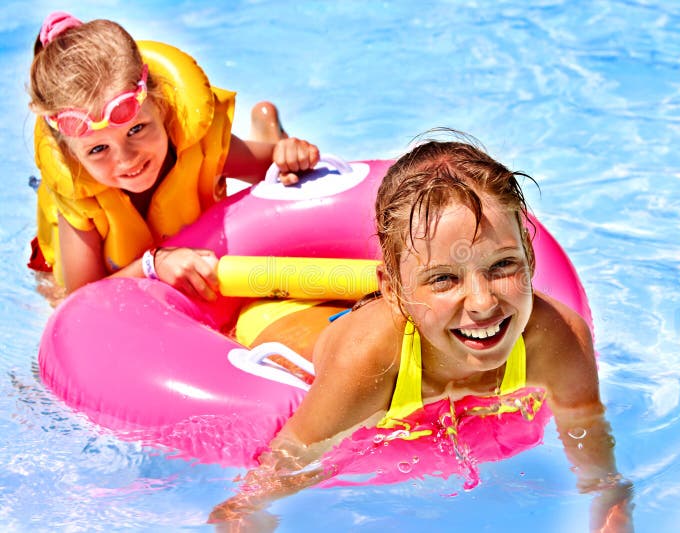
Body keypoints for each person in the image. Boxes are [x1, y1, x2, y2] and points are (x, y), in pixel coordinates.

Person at [209, 134, 634, 531]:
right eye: (444, 278)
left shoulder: (558, 338)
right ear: (391, 289)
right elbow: (282, 469)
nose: (483, 303)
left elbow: (592, 449)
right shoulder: (370, 360)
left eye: (503, 265)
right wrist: (244, 513)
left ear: (530, 258)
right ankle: (270, 133)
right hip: (279, 325)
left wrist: (612, 512)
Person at [27, 12, 320, 300]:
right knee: (50, 299)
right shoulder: (81, 198)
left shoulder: (196, 145)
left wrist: (288, 154)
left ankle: (268, 131)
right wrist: (152, 265)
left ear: (162, 108)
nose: (127, 159)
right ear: (73, 155)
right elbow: (82, 300)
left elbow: (267, 171)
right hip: (118, 274)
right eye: (98, 149)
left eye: (137, 129)